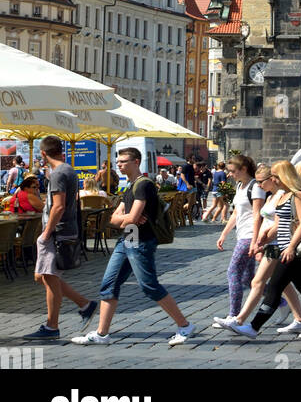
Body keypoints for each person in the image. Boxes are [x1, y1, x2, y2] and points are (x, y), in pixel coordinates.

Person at [70, 145, 194, 346]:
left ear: (136, 162)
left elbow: (133, 217)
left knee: (149, 285)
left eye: (122, 161)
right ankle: (102, 334)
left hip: (141, 240)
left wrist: (126, 218)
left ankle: (185, 326)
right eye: (117, 161)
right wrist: (125, 219)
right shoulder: (129, 186)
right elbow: (113, 219)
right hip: (128, 238)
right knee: (109, 284)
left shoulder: (143, 185)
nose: (118, 164)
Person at [228, 161, 301, 341]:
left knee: (274, 287)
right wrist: (264, 239)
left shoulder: (298, 195)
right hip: (283, 247)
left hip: (293, 250)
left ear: (284, 176)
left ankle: (253, 326)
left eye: (274, 175)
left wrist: (290, 247)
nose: (272, 179)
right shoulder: (285, 195)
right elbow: (281, 223)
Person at [24, 136, 96, 341]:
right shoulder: (68, 170)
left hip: (57, 232)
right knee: (44, 276)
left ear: (44, 154)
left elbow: (59, 206)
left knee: (48, 277)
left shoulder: (57, 174)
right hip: (64, 230)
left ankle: (52, 326)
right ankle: (84, 304)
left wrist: (46, 232)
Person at [214, 165, 300, 332]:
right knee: (284, 284)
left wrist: (260, 241)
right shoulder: (271, 197)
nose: (259, 185)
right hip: (268, 244)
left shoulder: (282, 196)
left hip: (277, 244)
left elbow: (279, 224)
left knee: (256, 281)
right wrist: (259, 244)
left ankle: (238, 319)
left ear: (272, 179)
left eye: (261, 182)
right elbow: (261, 221)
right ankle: (299, 318)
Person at [216, 155, 266, 319]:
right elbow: (236, 212)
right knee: (249, 279)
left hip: (250, 235)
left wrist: (255, 241)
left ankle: (233, 315)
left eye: (232, 171)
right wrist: (224, 233)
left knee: (233, 272)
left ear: (243, 169)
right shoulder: (240, 186)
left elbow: (257, 214)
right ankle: (279, 302)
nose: (229, 175)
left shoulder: (256, 187)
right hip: (242, 234)